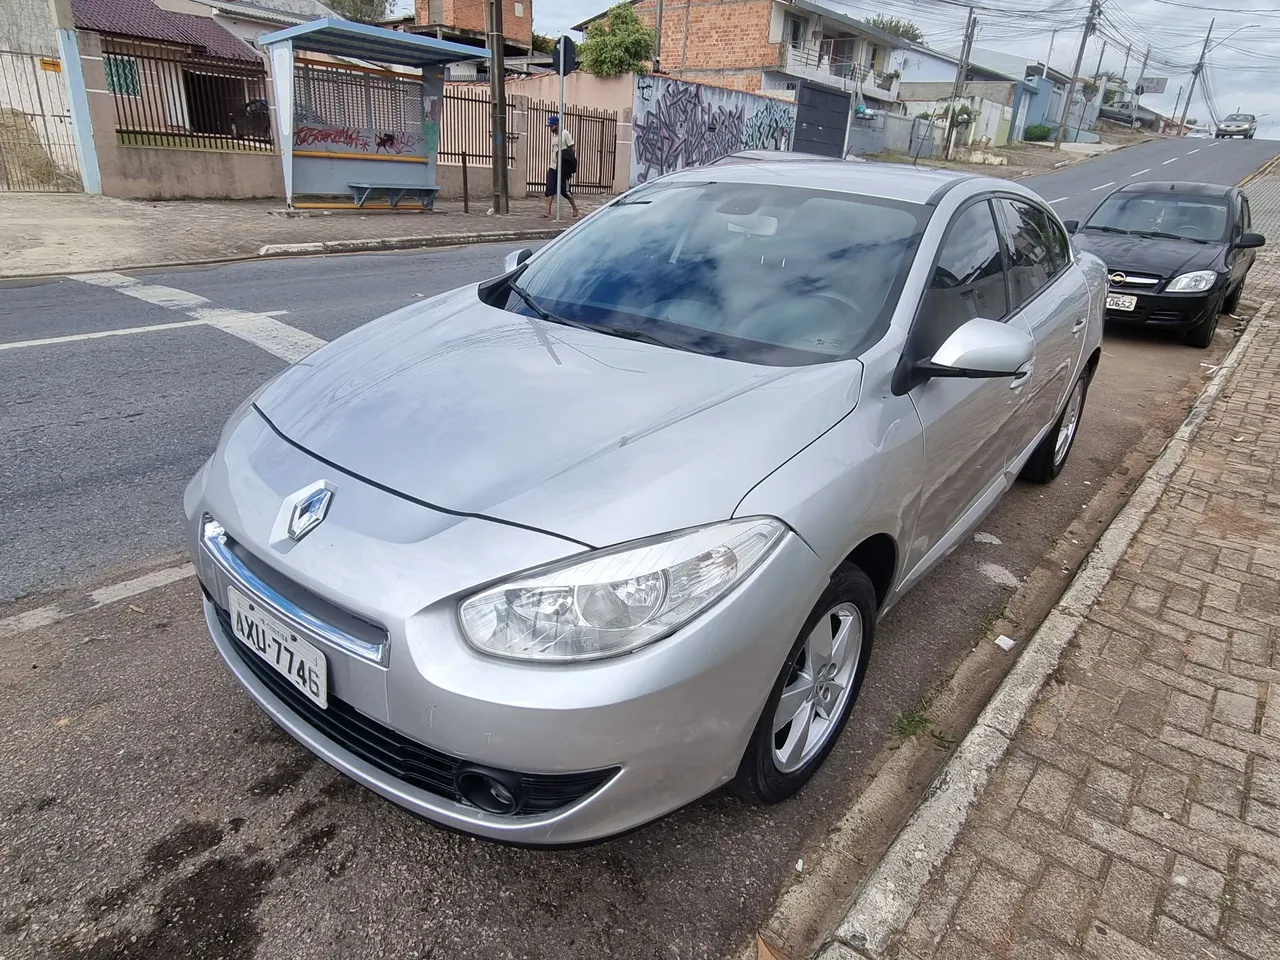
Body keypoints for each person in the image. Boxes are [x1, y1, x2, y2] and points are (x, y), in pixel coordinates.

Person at [543, 115, 580, 219]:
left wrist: (568, 162)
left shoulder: (565, 134)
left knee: (565, 191)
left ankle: (575, 209)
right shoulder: (554, 136)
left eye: (552, 126)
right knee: (549, 189)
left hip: (563, 168)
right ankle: (547, 212)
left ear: (557, 124)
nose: (550, 128)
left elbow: (572, 148)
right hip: (553, 166)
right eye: (550, 126)